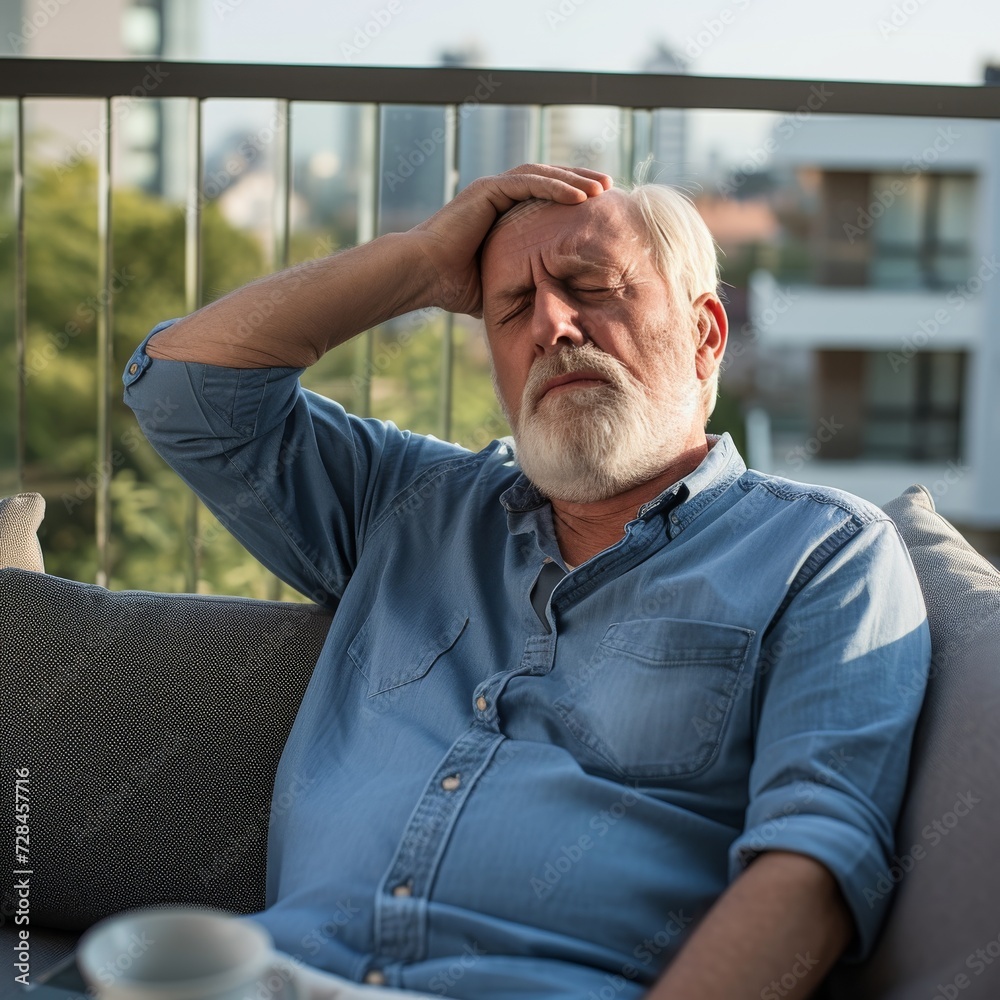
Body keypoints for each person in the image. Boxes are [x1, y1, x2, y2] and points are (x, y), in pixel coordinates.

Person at [123, 164, 930, 999]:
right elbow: (182, 388)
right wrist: (421, 262)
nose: (550, 324)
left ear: (705, 334)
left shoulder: (820, 554)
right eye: (511, 308)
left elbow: (814, 862)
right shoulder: (406, 502)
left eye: (593, 287)